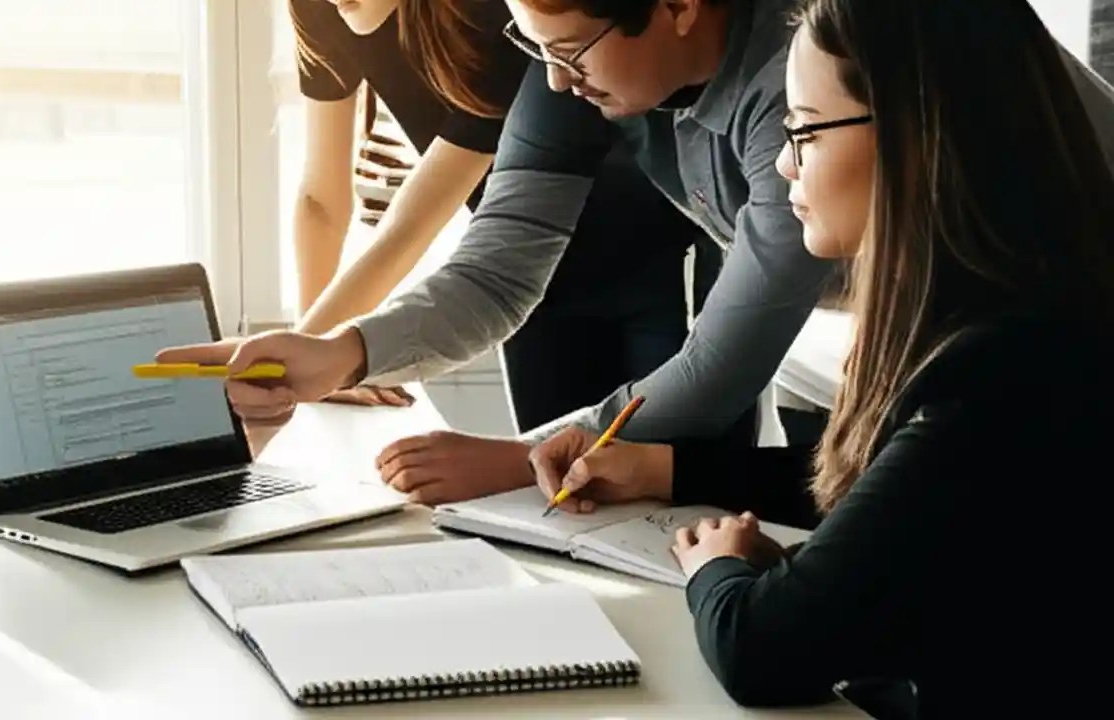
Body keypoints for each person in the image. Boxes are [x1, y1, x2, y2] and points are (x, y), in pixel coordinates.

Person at [528, 0, 1114, 715]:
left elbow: (763, 650)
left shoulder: (1004, 366)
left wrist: (713, 569)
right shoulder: (1000, 320)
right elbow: (895, 488)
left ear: (914, 138)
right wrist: (670, 470)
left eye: (802, 130)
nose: (779, 162)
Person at [160, 0, 840, 506]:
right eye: (537, 47)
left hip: (902, 332)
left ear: (679, 7)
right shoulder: (577, 62)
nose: (552, 82)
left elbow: (718, 368)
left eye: (570, 51)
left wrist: (526, 457)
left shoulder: (793, 86)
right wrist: (342, 352)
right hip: (828, 336)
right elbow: (494, 271)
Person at [286, 0, 699, 435]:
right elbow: (320, 201)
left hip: (658, 260)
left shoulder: (491, 18)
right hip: (526, 281)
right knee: (558, 483)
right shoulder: (319, 8)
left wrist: (306, 359)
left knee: (681, 473)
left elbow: (410, 226)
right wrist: (308, 351)